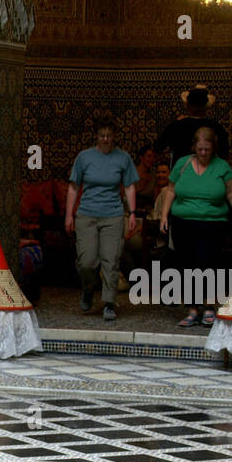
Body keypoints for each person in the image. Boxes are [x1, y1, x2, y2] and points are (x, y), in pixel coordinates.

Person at [158, 127, 232, 326]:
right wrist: (164, 215)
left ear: (213, 148)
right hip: (183, 223)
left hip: (213, 224)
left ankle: (208, 306)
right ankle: (192, 308)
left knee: (208, 263)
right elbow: (171, 190)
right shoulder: (182, 164)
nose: (203, 153)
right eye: (200, 149)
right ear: (194, 148)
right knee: (186, 264)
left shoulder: (222, 167)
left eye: (207, 149)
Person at [65, 116, 139, 322]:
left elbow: (130, 186)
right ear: (96, 136)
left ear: (114, 136)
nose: (105, 139)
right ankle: (88, 288)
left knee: (111, 260)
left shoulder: (123, 158)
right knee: (86, 261)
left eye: (109, 135)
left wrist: (132, 213)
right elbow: (73, 187)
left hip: (113, 215)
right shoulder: (84, 157)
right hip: (87, 214)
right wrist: (68, 214)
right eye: (101, 135)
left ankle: (108, 303)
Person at [154, 84, 229, 167]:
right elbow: (224, 154)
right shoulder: (216, 127)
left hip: (181, 176)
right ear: (206, 107)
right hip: (207, 176)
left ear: (188, 106)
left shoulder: (176, 126)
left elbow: (158, 147)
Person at [134, 144, 160, 209]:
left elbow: (156, 197)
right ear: (141, 157)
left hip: (148, 208)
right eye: (149, 156)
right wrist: (141, 187)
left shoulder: (154, 174)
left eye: (154, 157)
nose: (151, 159)